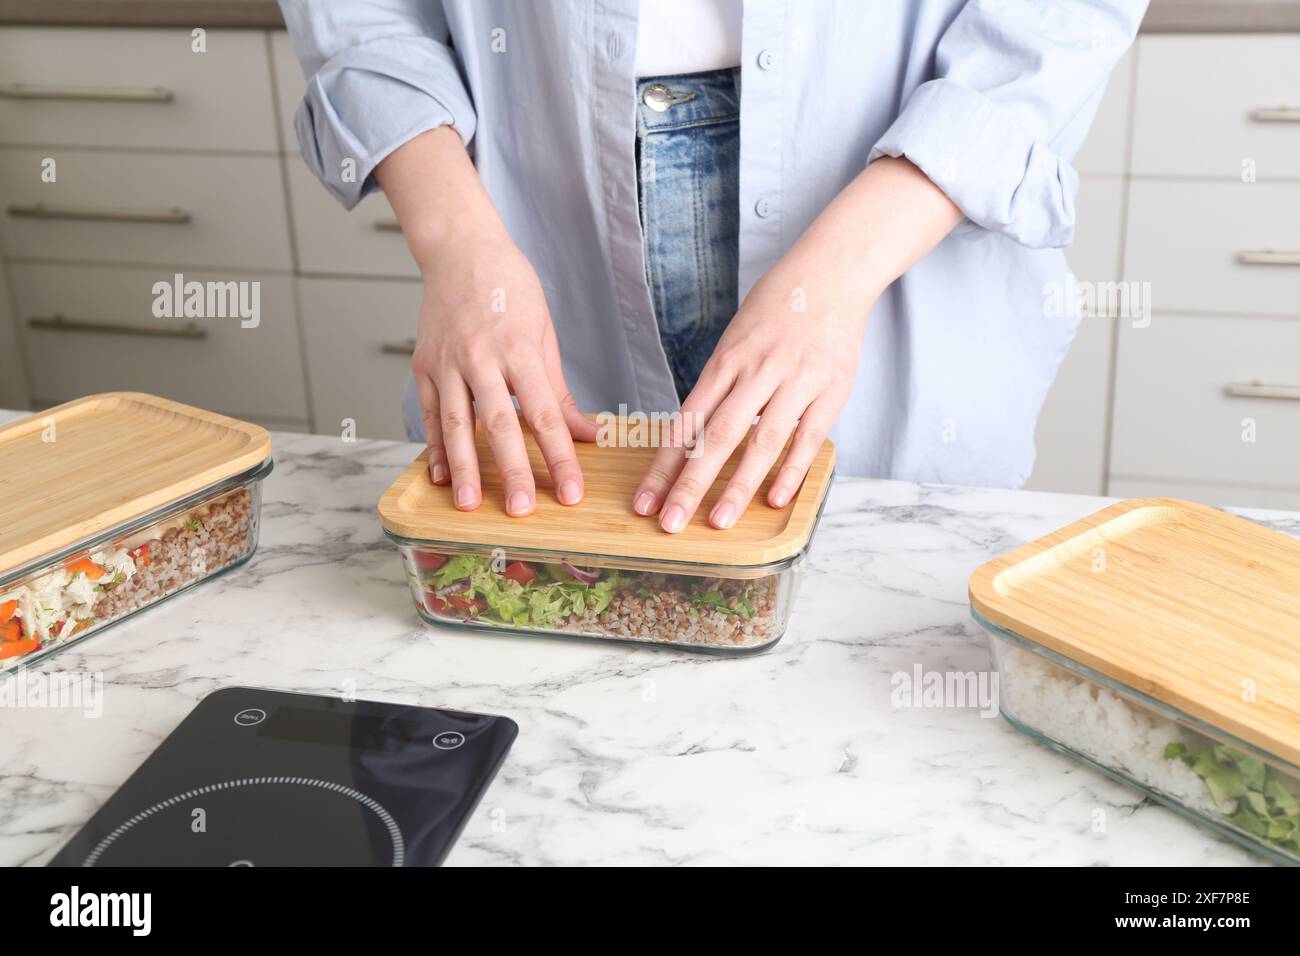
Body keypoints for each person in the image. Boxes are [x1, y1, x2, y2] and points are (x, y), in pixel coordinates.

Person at [279, 0, 1146, 532]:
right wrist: (456, 240)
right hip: (538, 211)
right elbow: (361, 12)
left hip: (885, 214)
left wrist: (839, 274)